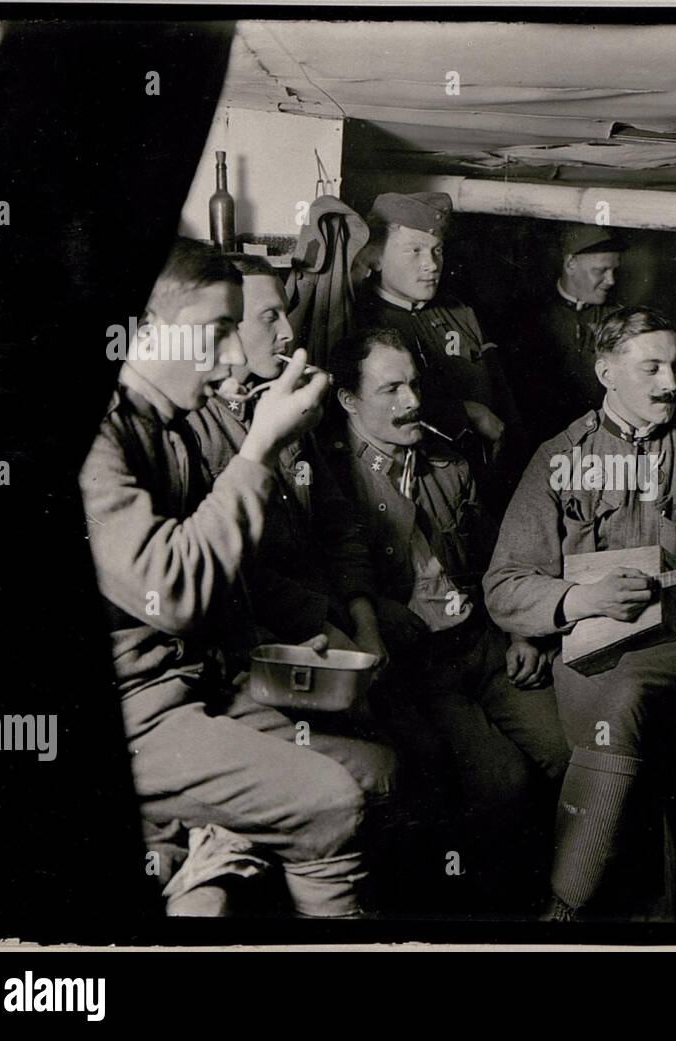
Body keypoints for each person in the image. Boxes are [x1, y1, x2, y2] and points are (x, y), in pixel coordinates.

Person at [79, 239, 398, 918]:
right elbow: (171, 588)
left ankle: (217, 837)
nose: (230, 357)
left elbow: (231, 569)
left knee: (376, 768)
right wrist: (258, 448)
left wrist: (313, 634)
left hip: (196, 679)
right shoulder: (101, 439)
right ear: (141, 328)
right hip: (136, 712)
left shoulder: (174, 427)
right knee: (332, 799)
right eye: (216, 331)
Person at [484, 307, 676, 920]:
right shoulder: (558, 457)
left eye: (674, 366)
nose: (670, 384)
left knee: (625, 703)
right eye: (650, 368)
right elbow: (504, 585)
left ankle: (564, 908)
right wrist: (578, 600)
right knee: (596, 728)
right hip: (581, 652)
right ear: (606, 372)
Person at [323, 326, 569, 907]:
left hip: (484, 644)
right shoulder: (327, 477)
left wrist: (522, 629)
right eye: (390, 389)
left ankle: (561, 902)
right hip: (418, 668)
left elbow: (499, 560)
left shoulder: (447, 461)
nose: (411, 402)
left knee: (568, 751)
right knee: (500, 782)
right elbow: (330, 580)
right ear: (348, 399)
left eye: (414, 385)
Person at [186, 254, 388, 663]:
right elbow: (234, 571)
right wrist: (325, 628)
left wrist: (366, 623)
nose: (288, 331)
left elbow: (338, 528)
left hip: (335, 617)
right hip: (271, 636)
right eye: (269, 317)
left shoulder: (281, 403)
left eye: (286, 312)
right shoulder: (192, 427)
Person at [352, 191, 524, 491]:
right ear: (376, 258)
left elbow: (503, 396)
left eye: (437, 250)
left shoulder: (461, 313)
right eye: (414, 251)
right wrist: (465, 411)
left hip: (486, 478)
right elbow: (369, 411)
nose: (432, 265)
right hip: (418, 484)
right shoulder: (359, 320)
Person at [508, 223, 627, 446]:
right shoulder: (526, 316)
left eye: (614, 271)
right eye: (601, 271)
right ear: (571, 264)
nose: (611, 280)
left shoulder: (620, 319)